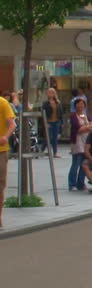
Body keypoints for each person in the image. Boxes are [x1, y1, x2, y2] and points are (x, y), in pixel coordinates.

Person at [68, 99, 92, 191]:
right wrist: (87, 127)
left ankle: (81, 183)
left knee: (84, 164)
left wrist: (85, 127)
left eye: (82, 104)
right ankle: (72, 184)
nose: (80, 106)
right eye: (78, 104)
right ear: (75, 106)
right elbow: (78, 129)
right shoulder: (73, 116)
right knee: (76, 163)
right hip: (77, 142)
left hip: (86, 142)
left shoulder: (86, 116)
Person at [0, 95, 17, 227]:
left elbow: (12, 124)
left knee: (0, 186)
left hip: (1, 151)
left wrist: (5, 137)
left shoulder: (3, 103)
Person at [41, 88, 64, 157]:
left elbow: (61, 112)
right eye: (49, 92)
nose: (50, 94)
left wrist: (62, 122)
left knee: (55, 137)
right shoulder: (45, 103)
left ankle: (55, 152)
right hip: (49, 122)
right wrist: (45, 122)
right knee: (49, 137)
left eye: (52, 92)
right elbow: (43, 113)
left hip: (57, 121)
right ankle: (41, 149)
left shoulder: (58, 102)